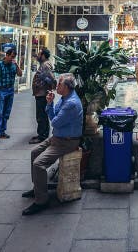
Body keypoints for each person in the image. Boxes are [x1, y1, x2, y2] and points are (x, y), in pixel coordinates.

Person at [21, 73, 83, 215]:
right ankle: (38, 188)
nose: (56, 86)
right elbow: (54, 115)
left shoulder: (71, 103)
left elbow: (54, 121)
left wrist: (50, 107)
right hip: (57, 137)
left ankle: (41, 200)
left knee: (38, 164)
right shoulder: (64, 98)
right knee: (34, 152)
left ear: (66, 87)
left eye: (59, 84)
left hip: (66, 142)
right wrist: (50, 104)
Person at [0, 48, 22, 145]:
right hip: (1, 90)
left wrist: (16, 64)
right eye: (11, 57)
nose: (12, 59)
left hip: (10, 90)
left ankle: (2, 132)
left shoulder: (13, 65)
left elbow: (20, 74)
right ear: (6, 55)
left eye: (14, 57)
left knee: (6, 112)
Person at [30, 48, 56, 144]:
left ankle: (42, 136)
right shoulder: (44, 64)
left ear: (43, 56)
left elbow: (52, 79)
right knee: (42, 115)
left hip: (42, 94)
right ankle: (42, 134)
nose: (37, 55)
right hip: (41, 93)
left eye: (39, 54)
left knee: (41, 115)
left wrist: (47, 87)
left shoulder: (45, 65)